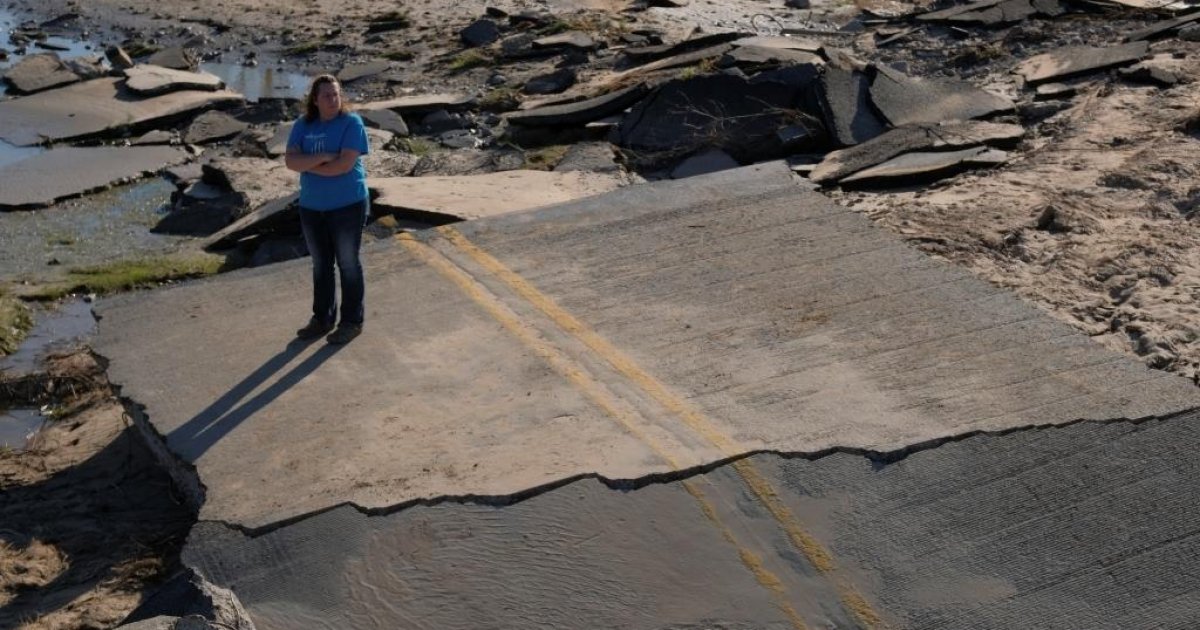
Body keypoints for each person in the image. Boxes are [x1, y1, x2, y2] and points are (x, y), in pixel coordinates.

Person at [285, 74, 371, 344]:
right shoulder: (303, 124)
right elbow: (290, 162)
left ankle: (351, 322)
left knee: (347, 263)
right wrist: (322, 157)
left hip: (348, 204)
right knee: (321, 265)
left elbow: (343, 166)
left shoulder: (351, 123)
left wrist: (308, 164)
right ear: (315, 99)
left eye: (335, 94)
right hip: (312, 206)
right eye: (326, 95)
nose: (333, 100)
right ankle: (322, 319)